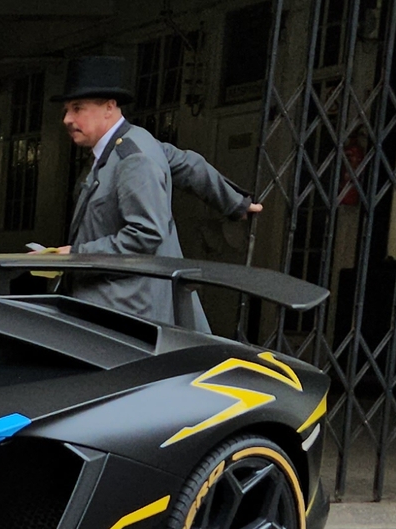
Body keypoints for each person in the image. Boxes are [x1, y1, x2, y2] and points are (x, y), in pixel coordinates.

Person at [46, 54, 263, 330]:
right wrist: (236, 204)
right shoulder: (131, 144)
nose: (67, 118)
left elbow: (146, 233)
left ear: (109, 107)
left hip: (124, 313)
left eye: (77, 108)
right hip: (115, 304)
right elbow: (189, 164)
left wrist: (75, 255)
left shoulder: (133, 157)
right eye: (66, 109)